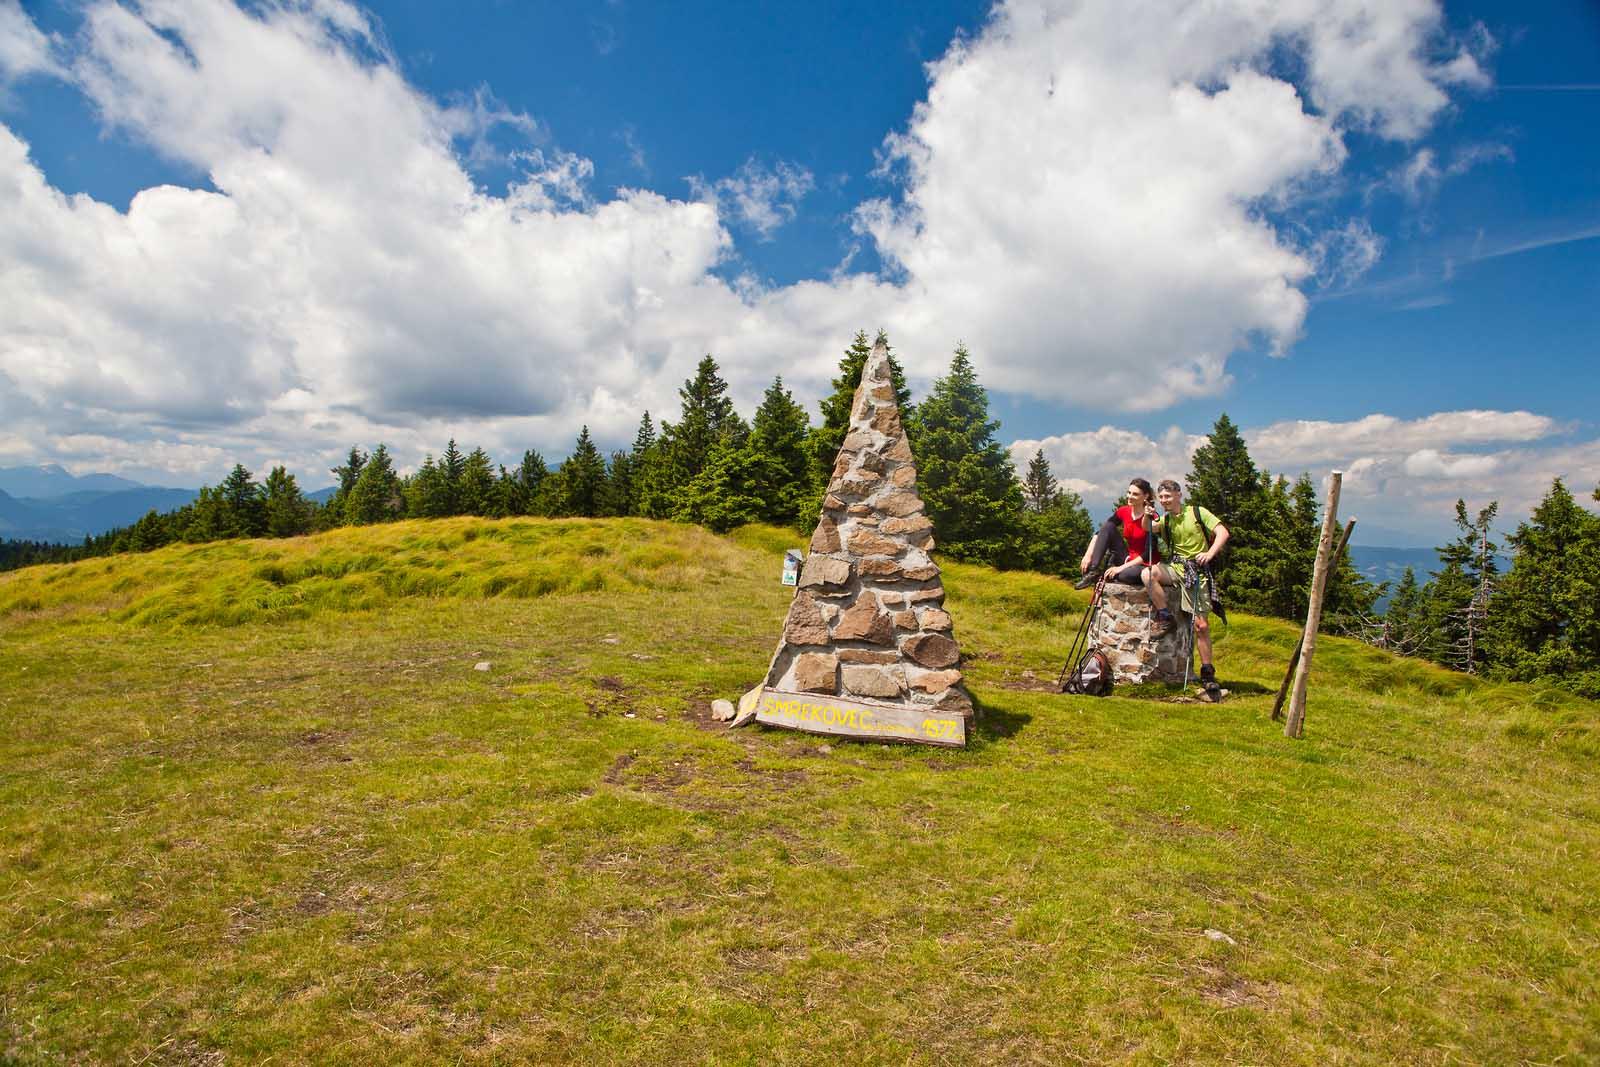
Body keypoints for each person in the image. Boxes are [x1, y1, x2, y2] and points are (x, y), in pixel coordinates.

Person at [1145, 478, 1230, 700]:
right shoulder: (1165, 520)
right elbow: (1148, 528)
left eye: (1168, 496)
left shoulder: (1197, 513)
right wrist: (1147, 514)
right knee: (1148, 574)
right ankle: (1165, 616)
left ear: (1178, 495)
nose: (1164, 500)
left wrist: (1209, 553)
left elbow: (1223, 532)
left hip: (1197, 572)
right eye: (1161, 497)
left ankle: (1207, 672)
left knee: (1201, 626)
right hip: (1176, 567)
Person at [1077, 478, 1163, 588]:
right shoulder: (1123, 511)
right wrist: (1088, 555)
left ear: (1145, 496)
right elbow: (1103, 530)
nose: (1130, 496)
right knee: (1108, 525)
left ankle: (1112, 573)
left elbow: (1147, 555)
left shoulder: (1152, 518)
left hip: (1144, 564)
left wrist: (1120, 568)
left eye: (1135, 494)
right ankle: (1093, 572)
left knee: (1127, 575)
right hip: (1128, 558)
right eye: (1129, 492)